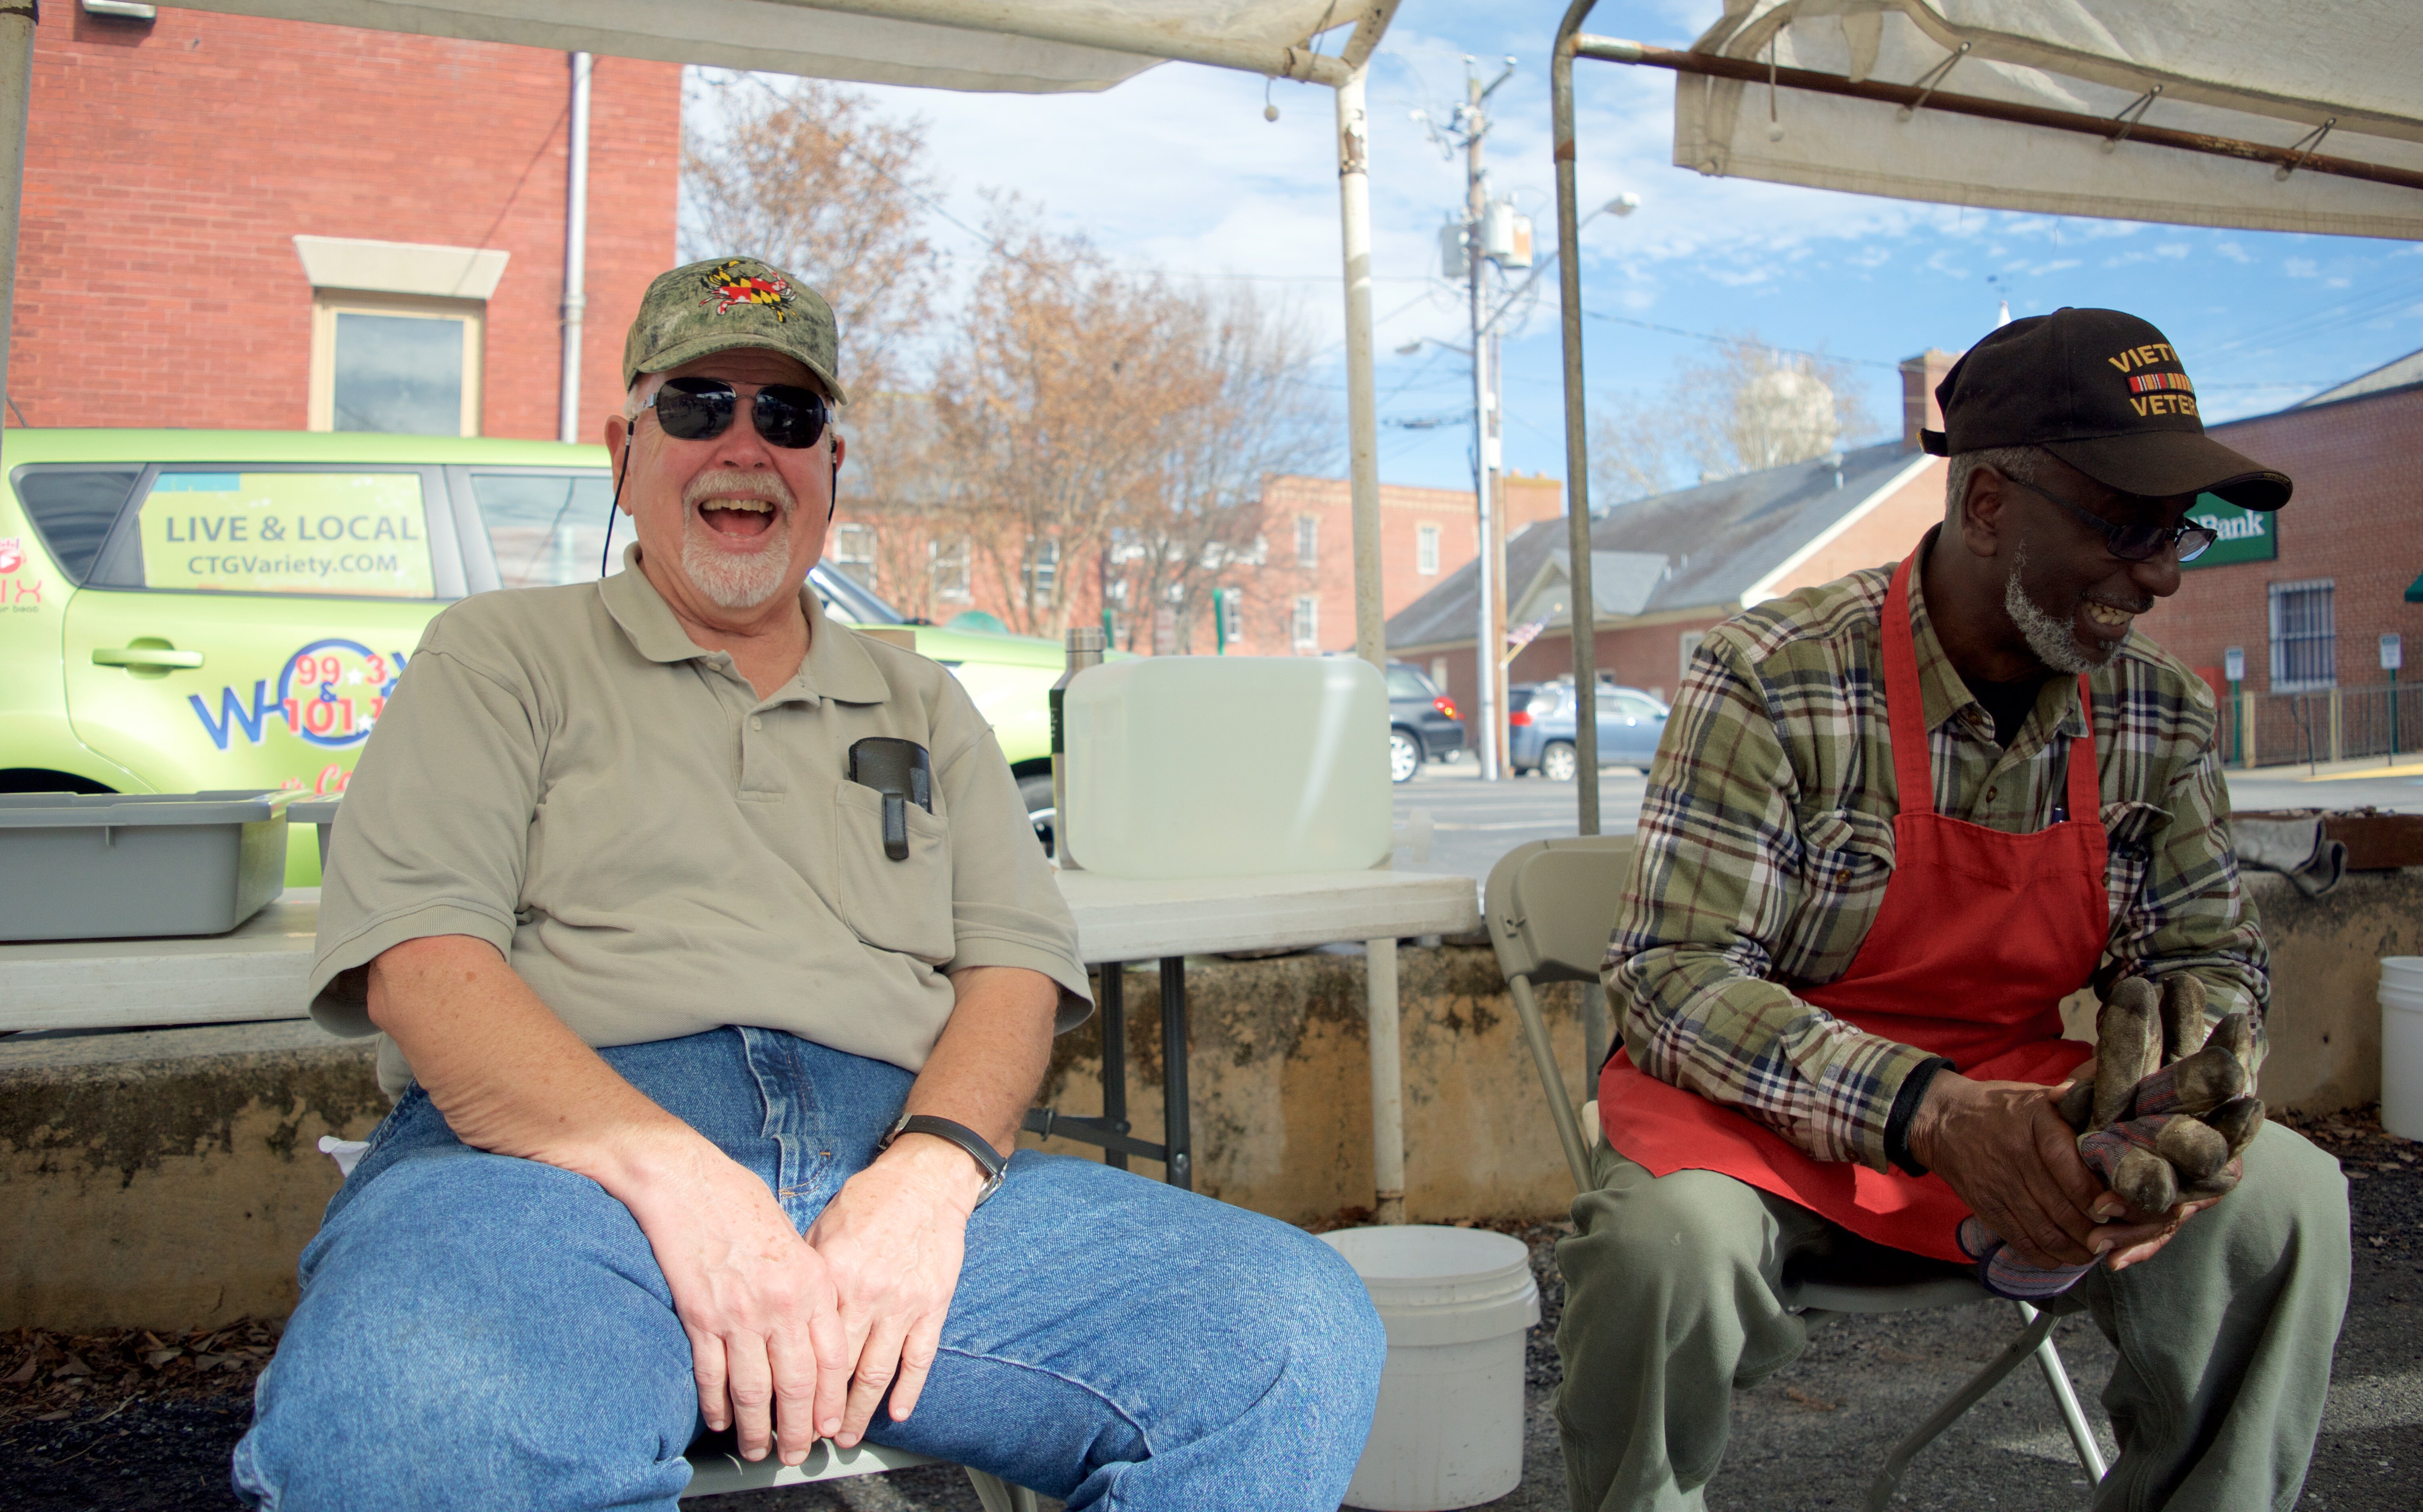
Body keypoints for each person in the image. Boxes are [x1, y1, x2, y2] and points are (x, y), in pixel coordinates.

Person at [233, 256, 1386, 1510]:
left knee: (1286, 1335)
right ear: (623, 450)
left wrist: (928, 1182)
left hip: (886, 1152)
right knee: (419, 1413)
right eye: (698, 406)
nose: (745, 445)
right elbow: (425, 966)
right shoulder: (501, 655)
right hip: (558, 1171)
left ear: (831, 469)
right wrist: (686, 1187)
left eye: (788, 418)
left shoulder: (924, 702)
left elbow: (1011, 971)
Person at [1554, 308, 2350, 1511]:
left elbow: (2206, 954)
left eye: (2177, 529)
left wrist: (2179, 1106)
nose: (2166, 571)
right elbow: (1674, 978)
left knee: (2291, 1201)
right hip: (1761, 1132)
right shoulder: (1774, 675)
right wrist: (1929, 1111)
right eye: (2128, 525)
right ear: (1986, 505)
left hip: (2035, 1122)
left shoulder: (2164, 716)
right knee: (1664, 1254)